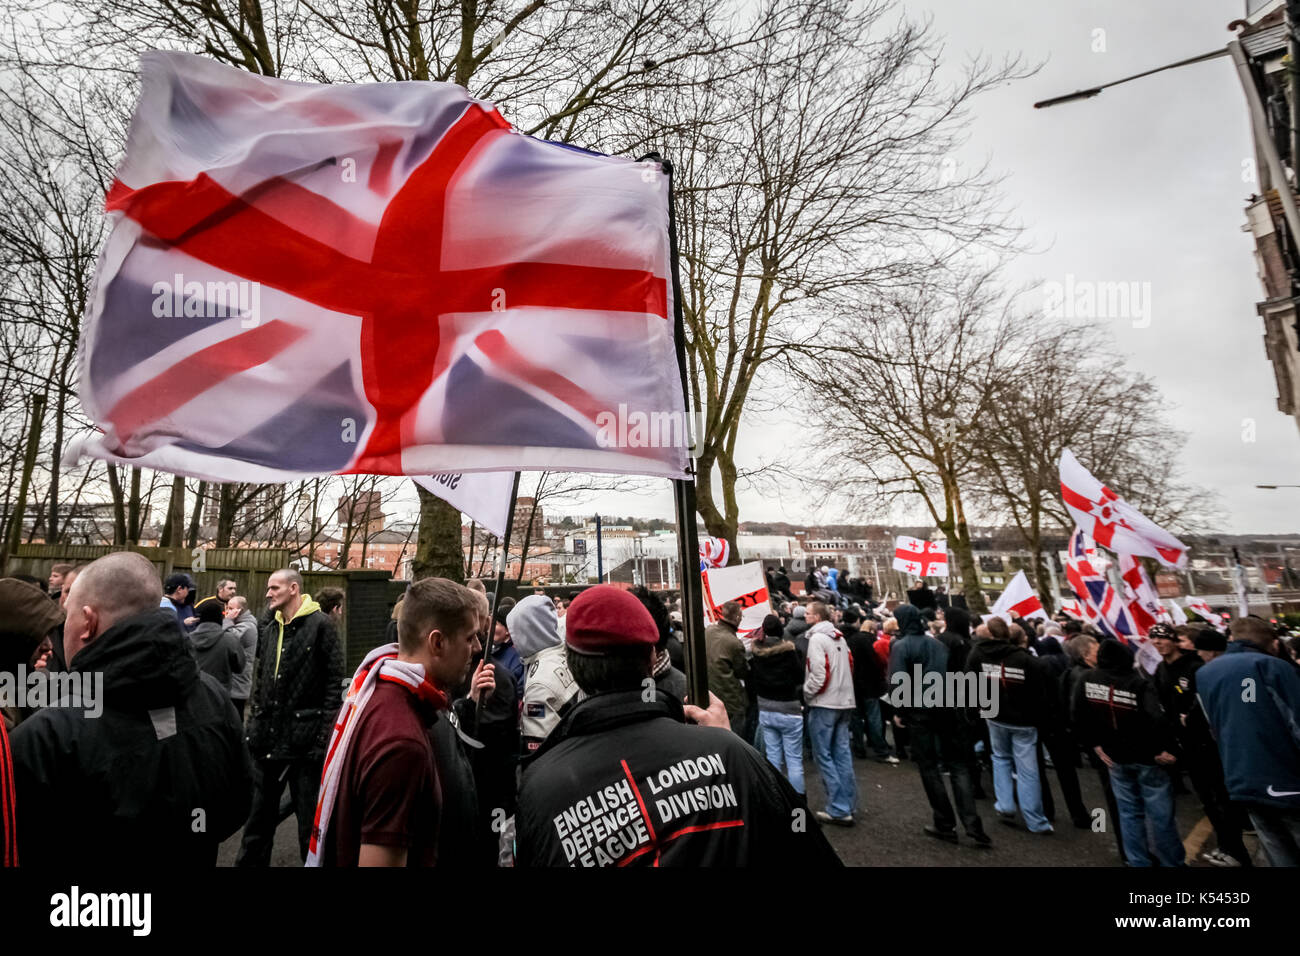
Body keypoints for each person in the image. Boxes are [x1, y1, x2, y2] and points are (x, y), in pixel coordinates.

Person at [515, 585, 841, 867]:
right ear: (650, 657)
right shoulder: (730, 755)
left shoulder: (538, 786)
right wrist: (728, 749)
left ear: (571, 663)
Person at [11, 552, 252, 866]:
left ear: (87, 621)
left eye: (66, 616)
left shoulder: (46, 736)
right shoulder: (214, 695)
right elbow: (236, 805)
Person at [309, 578, 493, 866]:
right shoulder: (402, 743)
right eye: (470, 638)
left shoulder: (374, 695)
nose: (478, 647)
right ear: (437, 642)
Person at [236, 568, 344, 866]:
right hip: (266, 740)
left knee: (309, 828)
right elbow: (261, 679)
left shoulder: (321, 625)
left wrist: (322, 738)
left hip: (304, 745)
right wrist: (254, 724)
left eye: (274, 587)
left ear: (293, 588)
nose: (268, 593)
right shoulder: (269, 626)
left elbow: (334, 684)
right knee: (257, 825)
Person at [1197, 615, 1300, 866]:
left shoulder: (1205, 673)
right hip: (1287, 779)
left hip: (1241, 777)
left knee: (1277, 849)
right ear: (1274, 643)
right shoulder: (1275, 667)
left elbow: (1213, 726)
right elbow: (1296, 722)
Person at [1071, 638, 1183, 866]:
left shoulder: (1087, 679)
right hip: (1145, 759)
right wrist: (1164, 749)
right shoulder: (1138, 684)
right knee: (1159, 815)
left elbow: (1078, 715)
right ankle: (1171, 861)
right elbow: (1157, 720)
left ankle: (1137, 860)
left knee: (1129, 813)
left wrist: (1094, 744)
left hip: (1116, 756)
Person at [890, 604, 990, 847]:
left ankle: (945, 823)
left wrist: (900, 711)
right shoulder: (938, 644)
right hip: (948, 709)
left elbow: (898, 680)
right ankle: (974, 826)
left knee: (930, 768)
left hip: (921, 713)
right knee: (959, 767)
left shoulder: (901, 646)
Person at [966, 616, 1053, 834]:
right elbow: (1041, 693)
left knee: (1000, 759)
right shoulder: (1025, 660)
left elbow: (970, 684)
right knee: (1027, 769)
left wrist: (974, 710)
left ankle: (1005, 805)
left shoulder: (977, 654)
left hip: (994, 716)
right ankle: (1035, 820)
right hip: (1022, 720)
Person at [803, 601, 857, 826]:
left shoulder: (816, 639)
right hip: (844, 701)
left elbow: (818, 673)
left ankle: (838, 807)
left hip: (825, 702)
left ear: (816, 617)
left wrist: (807, 693)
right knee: (842, 754)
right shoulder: (840, 638)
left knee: (824, 755)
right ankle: (848, 803)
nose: (805, 616)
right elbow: (850, 665)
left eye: (807, 613)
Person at [512, 594, 579, 755]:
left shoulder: (538, 685)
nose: (514, 642)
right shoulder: (568, 656)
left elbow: (536, 749)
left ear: (528, 633)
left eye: (515, 634)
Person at [750, 613, 805, 794]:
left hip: (766, 709)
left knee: (773, 758)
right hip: (789, 708)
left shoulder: (756, 654)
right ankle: (798, 802)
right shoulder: (789, 652)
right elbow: (799, 677)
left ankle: (777, 799)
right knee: (794, 760)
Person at [705, 601, 749, 735]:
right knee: (735, 736)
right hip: (730, 699)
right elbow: (742, 672)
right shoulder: (734, 643)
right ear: (736, 618)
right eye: (741, 617)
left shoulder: (709, 631)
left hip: (709, 693)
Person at [189, 597, 246, 696]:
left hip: (192, 695)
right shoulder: (230, 640)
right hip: (219, 696)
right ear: (220, 619)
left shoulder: (187, 640)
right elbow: (239, 667)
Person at [224, 595, 259, 720]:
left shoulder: (248, 626)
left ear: (239, 611)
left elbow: (228, 639)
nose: (226, 611)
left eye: (230, 608)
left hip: (238, 683)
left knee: (235, 718)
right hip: (234, 682)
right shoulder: (238, 623)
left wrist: (227, 621)